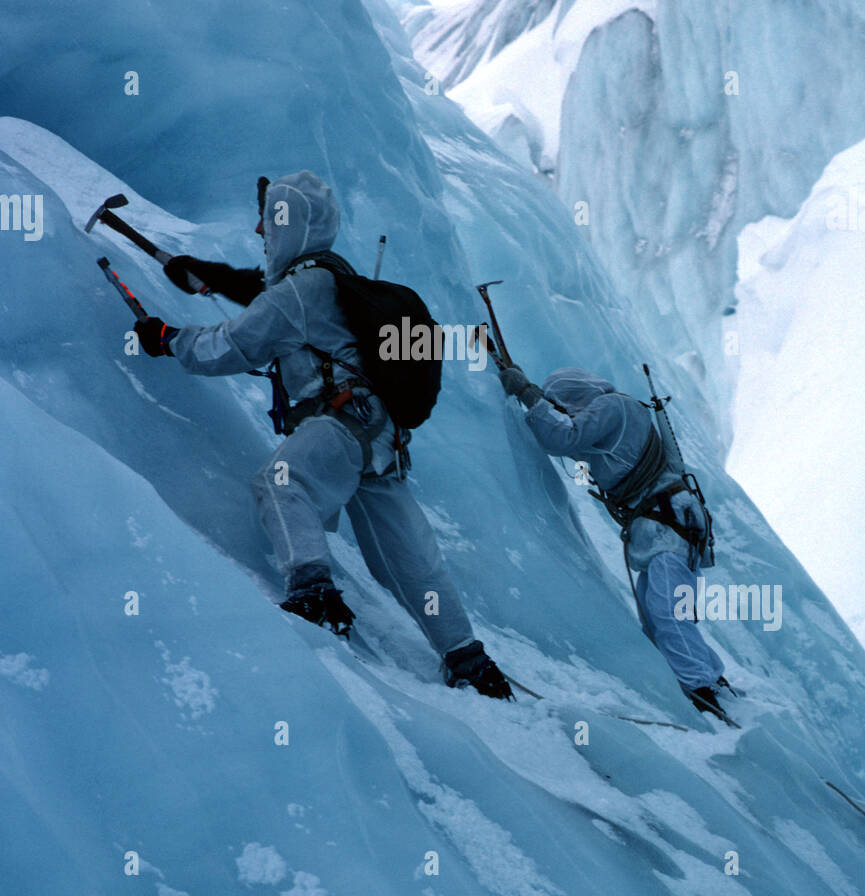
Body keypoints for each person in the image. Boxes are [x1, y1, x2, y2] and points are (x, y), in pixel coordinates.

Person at [132, 171, 512, 699]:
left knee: (280, 482)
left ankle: (313, 592)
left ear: (290, 222)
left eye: (268, 219)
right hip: (381, 438)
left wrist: (168, 339)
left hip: (340, 425)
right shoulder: (336, 279)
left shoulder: (300, 290)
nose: (260, 228)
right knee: (407, 561)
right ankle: (470, 661)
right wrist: (211, 276)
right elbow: (271, 302)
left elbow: (235, 345)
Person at [498, 364, 733, 720]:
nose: (563, 408)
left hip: (667, 523)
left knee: (667, 613)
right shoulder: (616, 418)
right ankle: (707, 681)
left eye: (562, 402)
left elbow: (565, 438)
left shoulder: (613, 408)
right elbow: (574, 444)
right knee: (659, 614)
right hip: (666, 523)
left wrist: (529, 395)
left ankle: (702, 687)